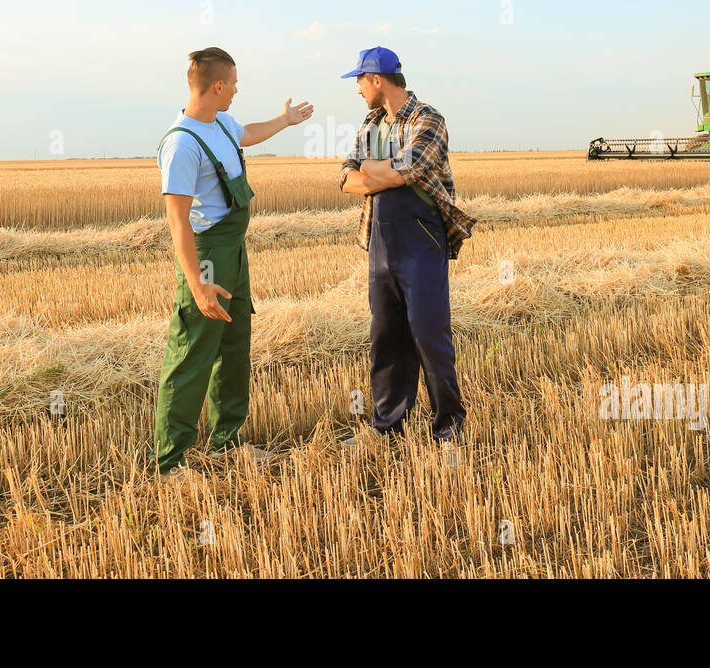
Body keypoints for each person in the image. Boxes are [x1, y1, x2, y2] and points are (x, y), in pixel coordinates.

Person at [153, 46, 313, 478]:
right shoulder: (181, 144)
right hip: (206, 256)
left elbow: (246, 134)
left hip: (234, 252)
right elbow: (178, 223)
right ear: (218, 85)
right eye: (235, 83)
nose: (238, 90)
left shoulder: (221, 123)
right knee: (191, 354)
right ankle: (170, 462)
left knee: (233, 346)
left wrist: (285, 121)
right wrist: (198, 283)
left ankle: (228, 442)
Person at [338, 46, 474, 449]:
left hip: (421, 238)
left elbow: (409, 169)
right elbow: (346, 177)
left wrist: (370, 171)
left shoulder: (428, 119)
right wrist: (378, 173)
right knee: (386, 336)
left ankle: (449, 430)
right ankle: (387, 427)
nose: (358, 89)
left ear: (377, 80)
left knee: (429, 334)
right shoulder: (370, 124)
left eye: (360, 80)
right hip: (379, 240)